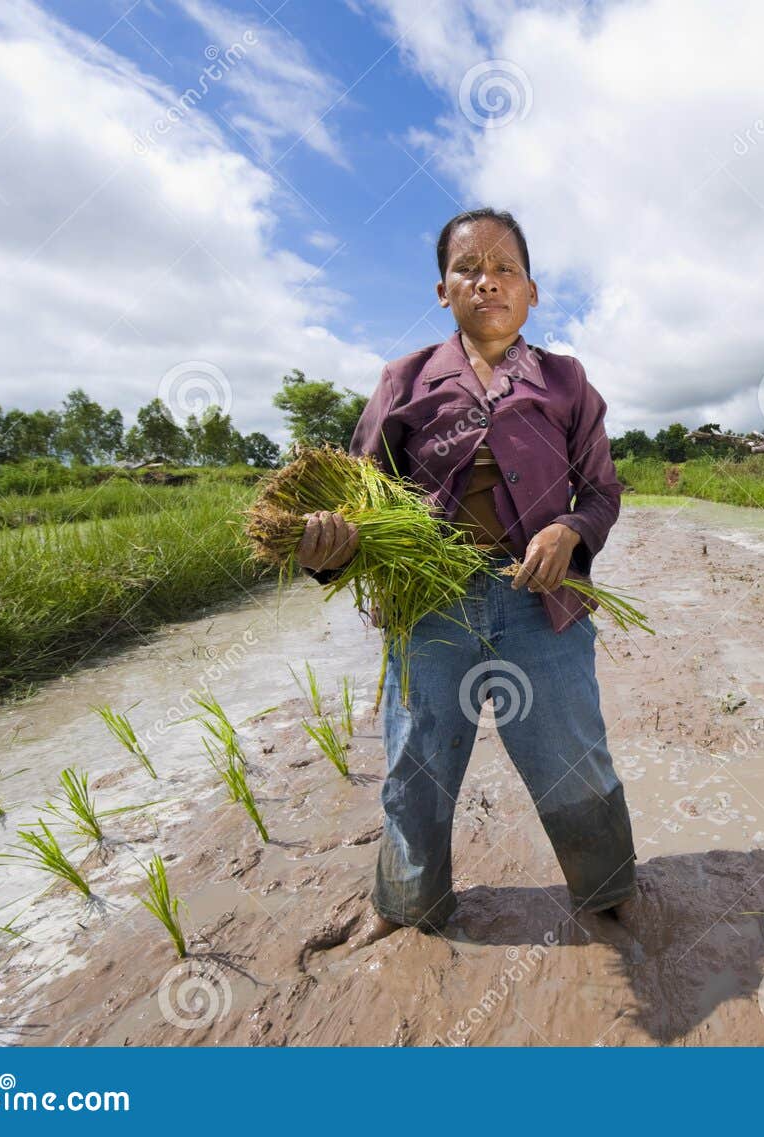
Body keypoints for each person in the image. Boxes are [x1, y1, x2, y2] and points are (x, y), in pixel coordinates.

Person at [296, 207, 637, 940]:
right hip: (428, 611)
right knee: (416, 769)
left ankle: (608, 891)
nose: (488, 280)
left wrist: (570, 528)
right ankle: (410, 904)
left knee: (574, 757)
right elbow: (360, 505)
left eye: (505, 267)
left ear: (533, 290)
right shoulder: (405, 380)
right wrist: (332, 548)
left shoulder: (565, 381)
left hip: (540, 605)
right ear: (442, 289)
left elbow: (604, 492)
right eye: (468, 268)